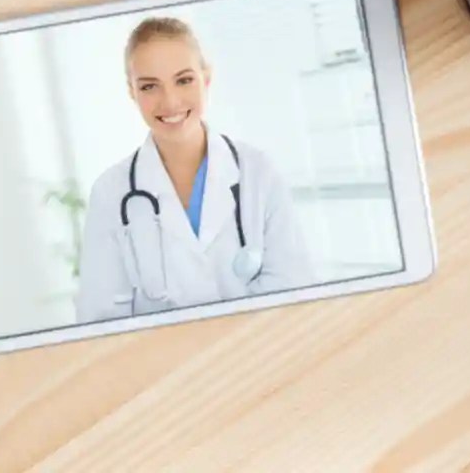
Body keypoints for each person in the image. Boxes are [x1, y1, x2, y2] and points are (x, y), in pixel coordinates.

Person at [74, 17, 314, 323]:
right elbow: (101, 320)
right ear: (132, 92)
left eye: (184, 80)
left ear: (206, 78)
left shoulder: (258, 172)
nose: (170, 101)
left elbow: (294, 291)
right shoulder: (110, 193)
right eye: (149, 86)